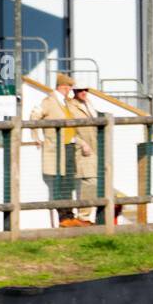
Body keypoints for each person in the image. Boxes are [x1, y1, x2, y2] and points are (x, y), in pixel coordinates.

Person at [30, 73, 89, 227]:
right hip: (56, 149)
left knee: (68, 183)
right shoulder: (49, 101)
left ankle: (70, 216)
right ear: (64, 86)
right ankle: (64, 218)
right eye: (69, 87)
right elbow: (34, 115)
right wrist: (36, 135)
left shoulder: (66, 102)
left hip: (69, 147)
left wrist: (81, 142)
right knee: (59, 185)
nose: (70, 90)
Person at [67, 85, 100, 223]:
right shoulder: (70, 105)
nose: (84, 93)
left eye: (86, 90)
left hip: (95, 148)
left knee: (94, 181)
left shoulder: (88, 104)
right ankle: (83, 217)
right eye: (80, 90)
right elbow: (69, 129)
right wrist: (81, 143)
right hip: (83, 150)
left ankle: (88, 216)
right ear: (74, 91)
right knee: (89, 181)